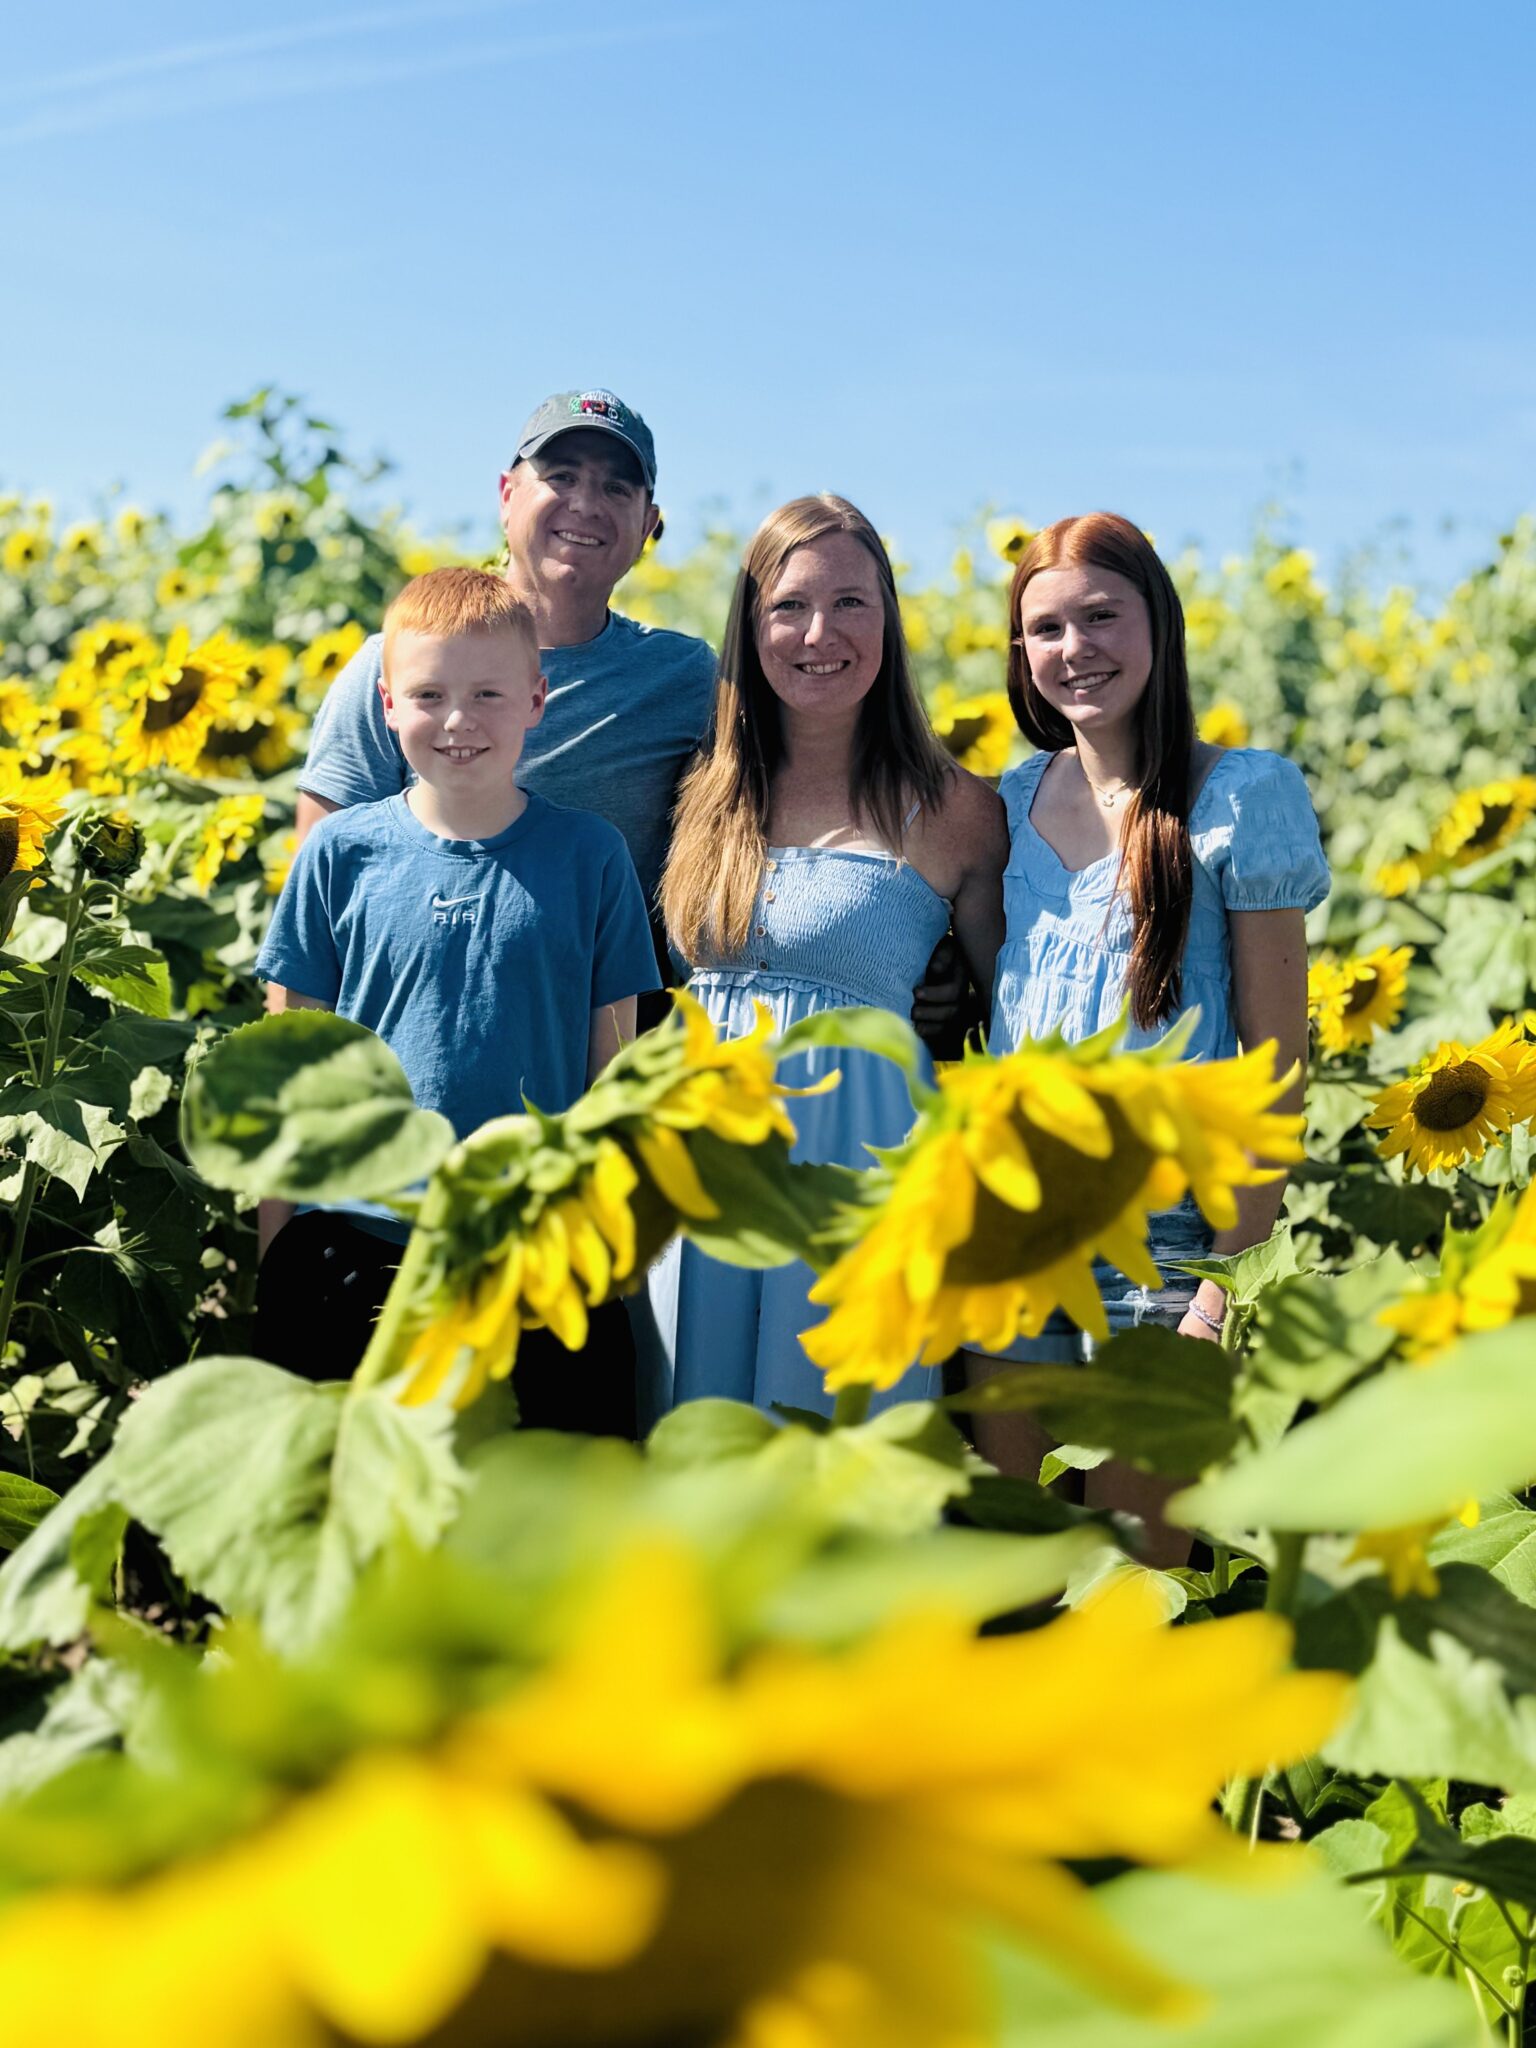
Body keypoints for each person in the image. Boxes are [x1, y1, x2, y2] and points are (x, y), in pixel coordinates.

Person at [961, 513, 1328, 1548]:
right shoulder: (1009, 800)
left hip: (1170, 1251)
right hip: (1021, 1232)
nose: (1075, 649)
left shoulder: (1240, 798)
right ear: (1021, 657)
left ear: (1157, 626)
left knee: (1139, 1577)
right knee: (1017, 1567)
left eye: (1101, 617)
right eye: (1046, 630)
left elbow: (1276, 1071)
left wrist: (1225, 1284)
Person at [254, 568, 660, 1432]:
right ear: (388, 704)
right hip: (355, 1247)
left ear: (536, 700)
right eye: (429, 693)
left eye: (487, 692)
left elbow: (613, 1075)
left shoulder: (591, 858)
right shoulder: (339, 856)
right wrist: (274, 1251)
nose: (458, 720)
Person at [649, 495, 1008, 1420]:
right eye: (789, 606)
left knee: (838, 1471)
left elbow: (1013, 1016)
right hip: (697, 1173)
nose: (820, 633)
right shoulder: (701, 788)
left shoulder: (958, 809)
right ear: (750, 623)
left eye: (851, 603)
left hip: (857, 1177)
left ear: (888, 617)